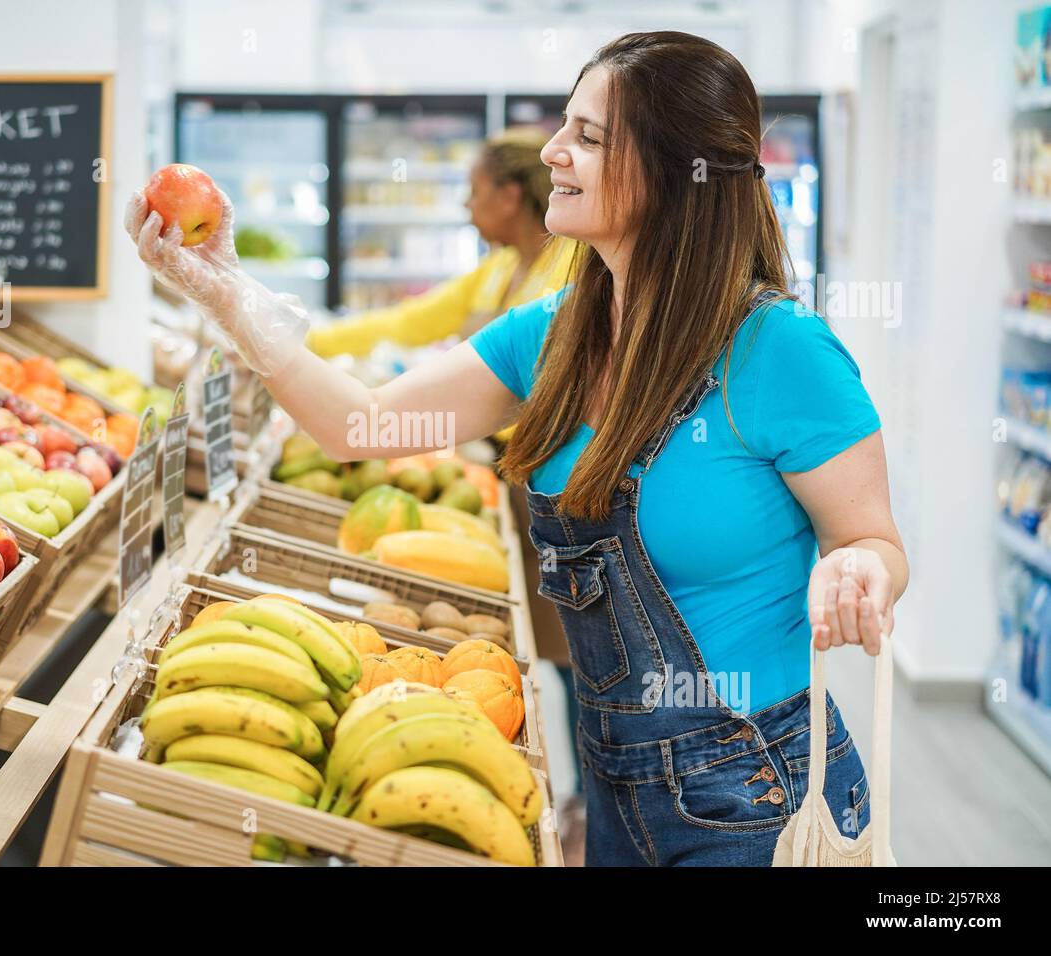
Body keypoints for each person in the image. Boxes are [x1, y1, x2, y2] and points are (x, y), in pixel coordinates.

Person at [127, 30, 909, 867]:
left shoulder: (780, 352)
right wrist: (226, 291)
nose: (552, 151)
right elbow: (365, 426)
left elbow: (876, 541)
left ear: (678, 170)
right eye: (562, 125)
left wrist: (859, 567)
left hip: (759, 790)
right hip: (612, 783)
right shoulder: (555, 335)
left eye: (588, 135)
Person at [306, 128, 577, 357]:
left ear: (508, 197)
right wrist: (311, 342)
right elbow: (412, 322)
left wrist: (477, 329)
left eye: (474, 191)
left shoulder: (572, 264)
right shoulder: (501, 266)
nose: (466, 203)